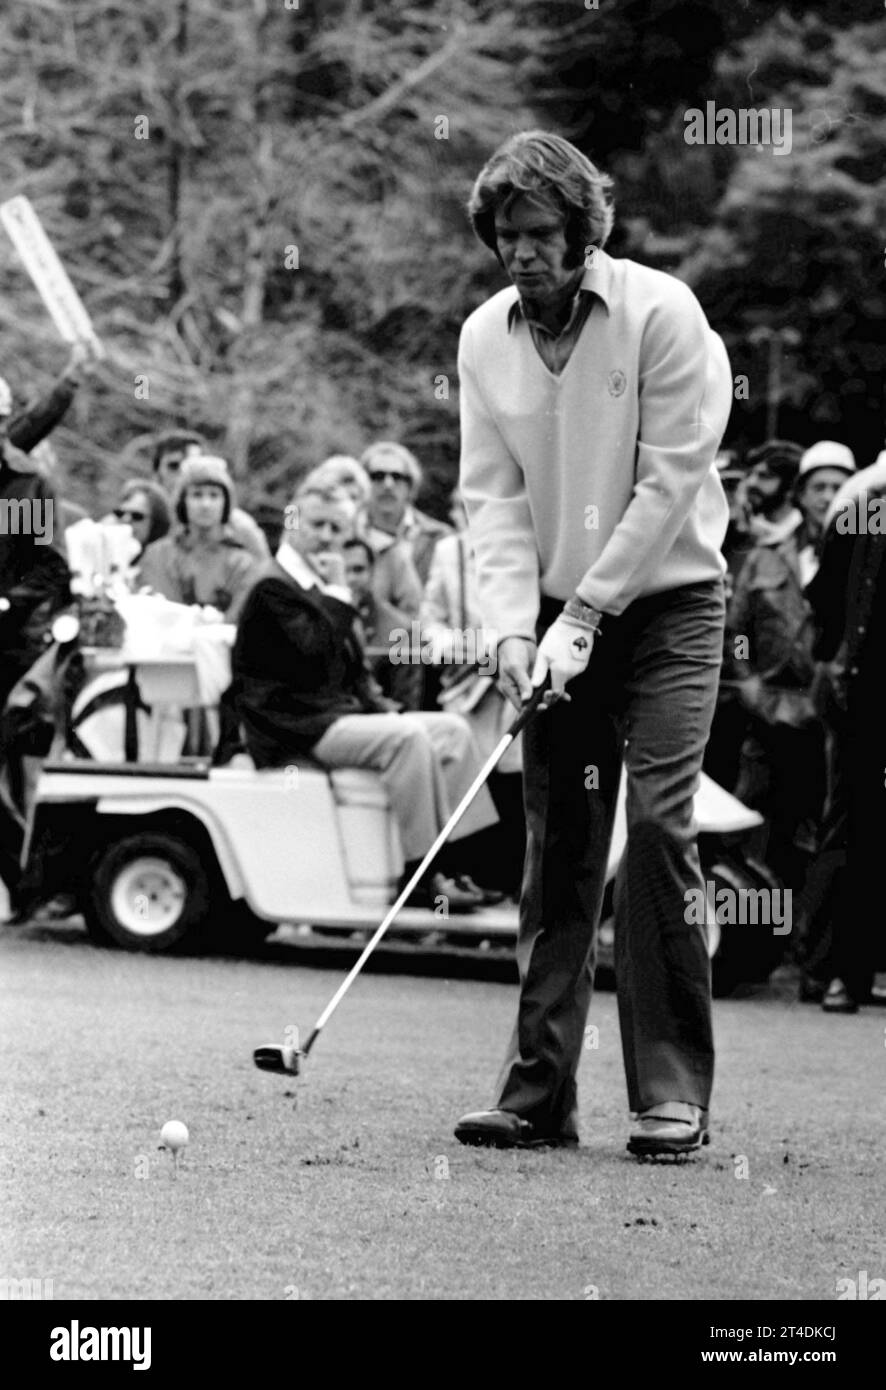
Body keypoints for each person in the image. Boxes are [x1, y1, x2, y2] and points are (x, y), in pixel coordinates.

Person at [453, 130, 733, 1157]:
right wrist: (507, 632)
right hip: (556, 620)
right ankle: (536, 1094)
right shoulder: (483, 339)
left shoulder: (664, 314)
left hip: (669, 606)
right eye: (505, 237)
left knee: (656, 829)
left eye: (539, 235)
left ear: (582, 232)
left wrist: (586, 615)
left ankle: (668, 1094)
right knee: (557, 846)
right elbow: (487, 499)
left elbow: (669, 484)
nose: (521, 255)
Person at [230, 483, 500, 912]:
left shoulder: (316, 586)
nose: (325, 536)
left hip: (337, 716)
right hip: (294, 726)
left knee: (451, 731)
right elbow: (313, 654)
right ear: (293, 524)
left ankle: (468, 864)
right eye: (315, 524)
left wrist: (387, 710)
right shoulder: (273, 587)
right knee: (406, 740)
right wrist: (340, 595)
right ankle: (420, 877)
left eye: (336, 528)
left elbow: (352, 673)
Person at [727, 440, 855, 896]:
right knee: (752, 826)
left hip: (834, 721)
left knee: (822, 833)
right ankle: (754, 941)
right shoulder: (768, 555)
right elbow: (736, 630)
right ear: (799, 494)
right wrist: (748, 684)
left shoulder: (863, 556)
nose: (826, 497)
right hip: (770, 715)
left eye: (837, 488)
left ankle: (807, 953)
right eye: (817, 486)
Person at [804, 454, 886, 1013]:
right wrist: (836, 664)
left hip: (860, 686)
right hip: (866, 692)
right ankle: (837, 970)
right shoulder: (867, 505)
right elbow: (830, 599)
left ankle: (843, 971)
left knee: (852, 825)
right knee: (851, 825)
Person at [421, 488, 526, 895]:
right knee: (469, 780)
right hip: (467, 684)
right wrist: (457, 646)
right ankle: (476, 881)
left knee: (516, 780)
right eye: (464, 509)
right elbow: (429, 623)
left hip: (518, 682)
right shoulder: (448, 553)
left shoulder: (524, 545)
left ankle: (517, 888)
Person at [0, 379, 71, 916]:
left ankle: (34, 880)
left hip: (8, 646)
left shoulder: (23, 489)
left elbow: (46, 567)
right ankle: (29, 882)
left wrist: (5, 603)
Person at [303, 454, 423, 616]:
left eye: (353, 497)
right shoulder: (302, 533)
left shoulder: (386, 547)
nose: (345, 506)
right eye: (335, 497)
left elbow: (413, 609)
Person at [139, 455, 257, 621]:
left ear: (226, 503)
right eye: (197, 495)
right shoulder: (159, 554)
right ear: (183, 502)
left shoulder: (242, 563)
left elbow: (239, 617)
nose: (205, 504)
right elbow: (158, 609)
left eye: (214, 495)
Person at [151, 431, 270, 563]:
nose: (184, 472)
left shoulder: (238, 526)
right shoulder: (143, 517)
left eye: (194, 464)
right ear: (157, 473)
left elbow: (264, 573)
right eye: (174, 466)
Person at [342, 537, 422, 710]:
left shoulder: (400, 630)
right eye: (342, 570)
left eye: (358, 570)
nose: (350, 578)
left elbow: (405, 705)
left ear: (372, 573)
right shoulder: (312, 620)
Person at [361, 441, 452, 591]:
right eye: (378, 476)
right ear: (364, 482)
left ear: (410, 486)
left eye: (397, 477)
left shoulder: (439, 538)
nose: (388, 484)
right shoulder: (347, 535)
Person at [111, 478, 171, 562]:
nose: (125, 519)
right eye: (120, 513)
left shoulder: (164, 565)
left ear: (155, 524)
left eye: (136, 516)